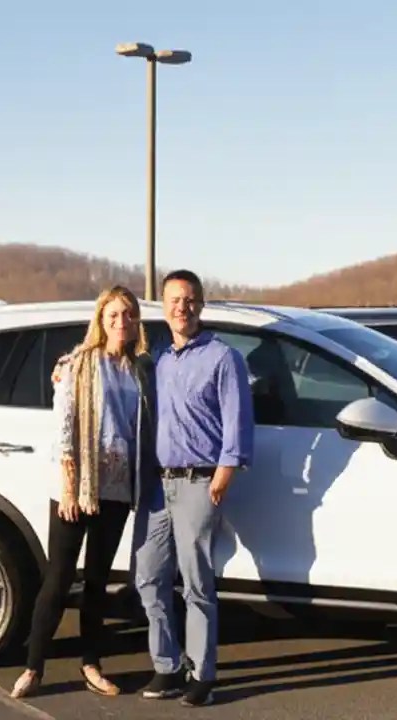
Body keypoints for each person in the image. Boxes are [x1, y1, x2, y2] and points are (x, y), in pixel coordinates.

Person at [9, 285, 156, 699]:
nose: (121, 322)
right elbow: (65, 429)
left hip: (116, 489)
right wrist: (70, 489)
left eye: (128, 314)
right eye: (113, 315)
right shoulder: (78, 363)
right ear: (101, 320)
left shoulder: (141, 368)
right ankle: (33, 667)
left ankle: (92, 663)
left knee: (97, 583)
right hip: (77, 489)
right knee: (58, 579)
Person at [134, 269, 255, 707]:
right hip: (157, 486)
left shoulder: (223, 358)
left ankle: (202, 674)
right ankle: (167, 665)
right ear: (163, 306)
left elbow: (237, 421)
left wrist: (225, 472)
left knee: (196, 582)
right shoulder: (161, 360)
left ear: (201, 305)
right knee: (148, 576)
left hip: (199, 483)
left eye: (189, 300)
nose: (181, 307)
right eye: (173, 300)